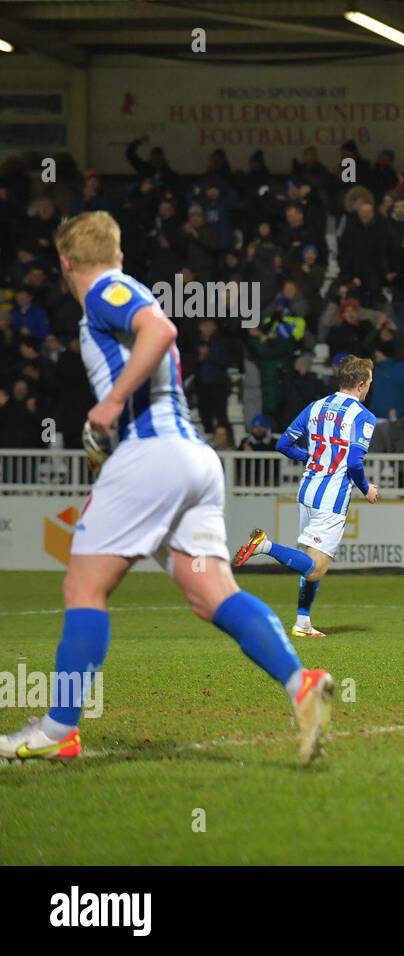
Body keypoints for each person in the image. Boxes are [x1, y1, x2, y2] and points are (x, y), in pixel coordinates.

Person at [0, 211, 334, 767]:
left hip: (153, 456)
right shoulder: (118, 288)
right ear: (119, 252)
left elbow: (161, 330)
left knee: (84, 589)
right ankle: (300, 682)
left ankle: (59, 728)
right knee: (212, 596)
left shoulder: (106, 290)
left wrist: (108, 407)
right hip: (192, 462)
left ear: (64, 262)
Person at [232, 356, 381, 639]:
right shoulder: (363, 416)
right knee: (315, 568)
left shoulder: (316, 407)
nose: (370, 387)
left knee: (308, 560)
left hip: (308, 491)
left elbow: (283, 444)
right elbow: (354, 464)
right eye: (370, 382)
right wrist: (366, 489)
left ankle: (302, 622)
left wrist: (311, 457)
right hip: (332, 498)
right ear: (361, 384)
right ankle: (265, 546)